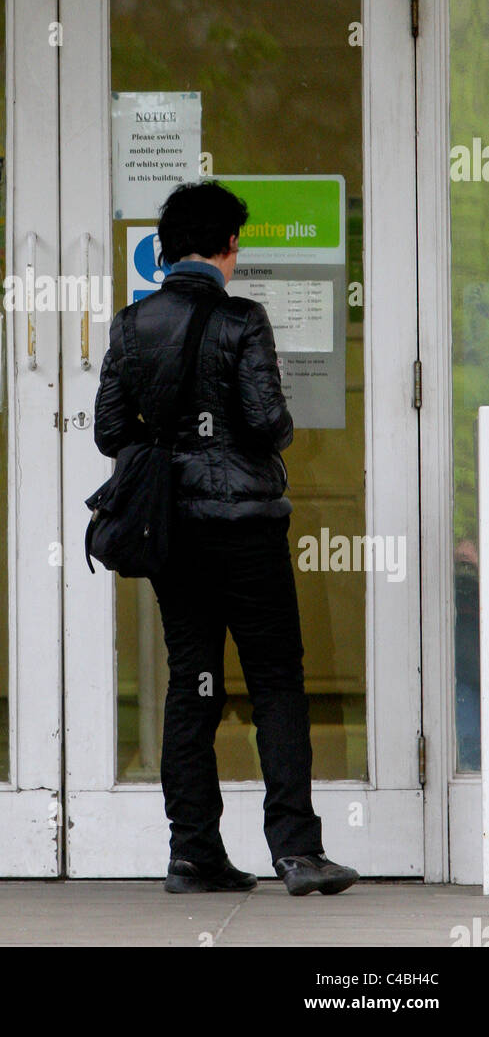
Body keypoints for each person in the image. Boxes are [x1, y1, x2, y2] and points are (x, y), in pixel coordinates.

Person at [93, 180, 358, 897]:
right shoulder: (242, 319)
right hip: (243, 528)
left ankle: (191, 853)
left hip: (172, 533)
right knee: (274, 678)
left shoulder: (130, 323)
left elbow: (109, 433)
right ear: (229, 246)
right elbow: (270, 423)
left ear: (162, 248)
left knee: (192, 682)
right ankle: (297, 853)